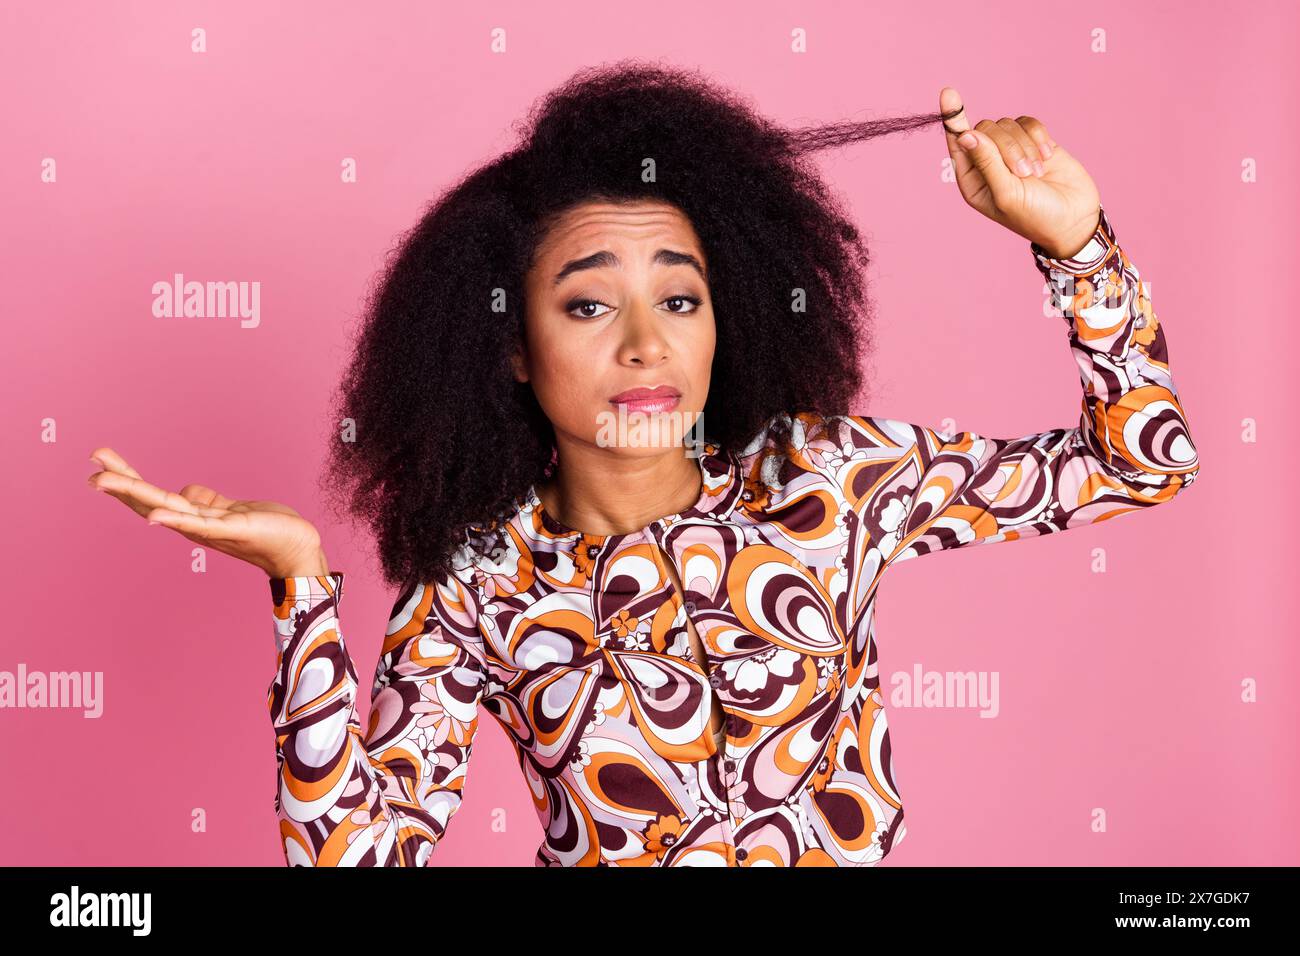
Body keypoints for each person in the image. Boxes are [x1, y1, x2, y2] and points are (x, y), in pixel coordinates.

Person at [88, 61, 1199, 866]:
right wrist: (300, 587)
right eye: (586, 303)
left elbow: (1137, 465)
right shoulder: (477, 581)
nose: (645, 344)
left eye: (679, 296)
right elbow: (358, 858)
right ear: (512, 346)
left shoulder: (827, 480)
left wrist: (1075, 244)